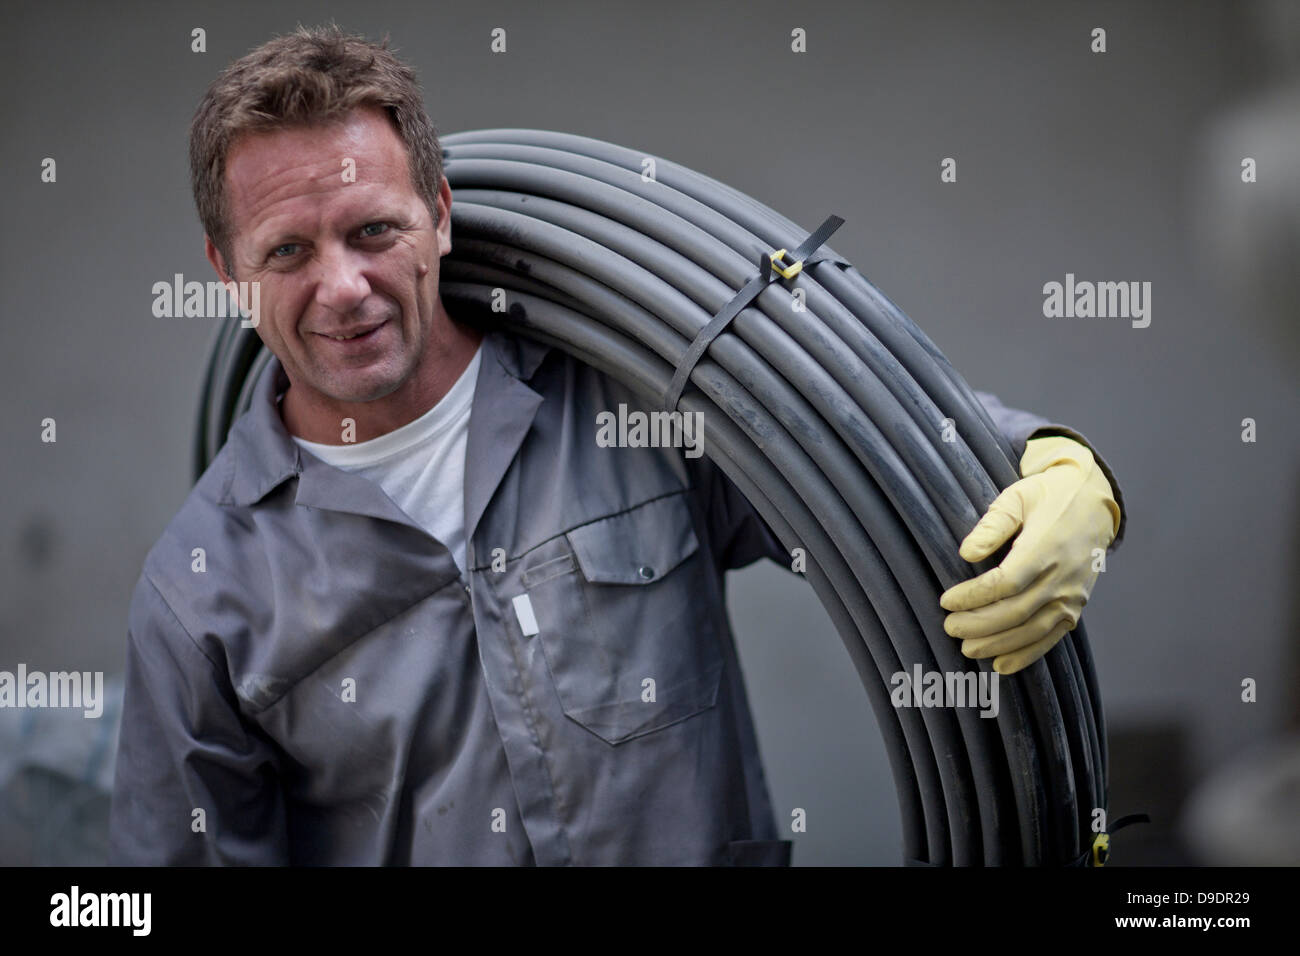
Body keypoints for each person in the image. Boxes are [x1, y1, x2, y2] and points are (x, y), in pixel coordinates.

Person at [109, 25, 1126, 865]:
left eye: (373, 230)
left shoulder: (640, 402)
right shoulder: (200, 595)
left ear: (440, 214)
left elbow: (884, 453)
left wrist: (1058, 467)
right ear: (227, 272)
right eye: (288, 250)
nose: (341, 286)